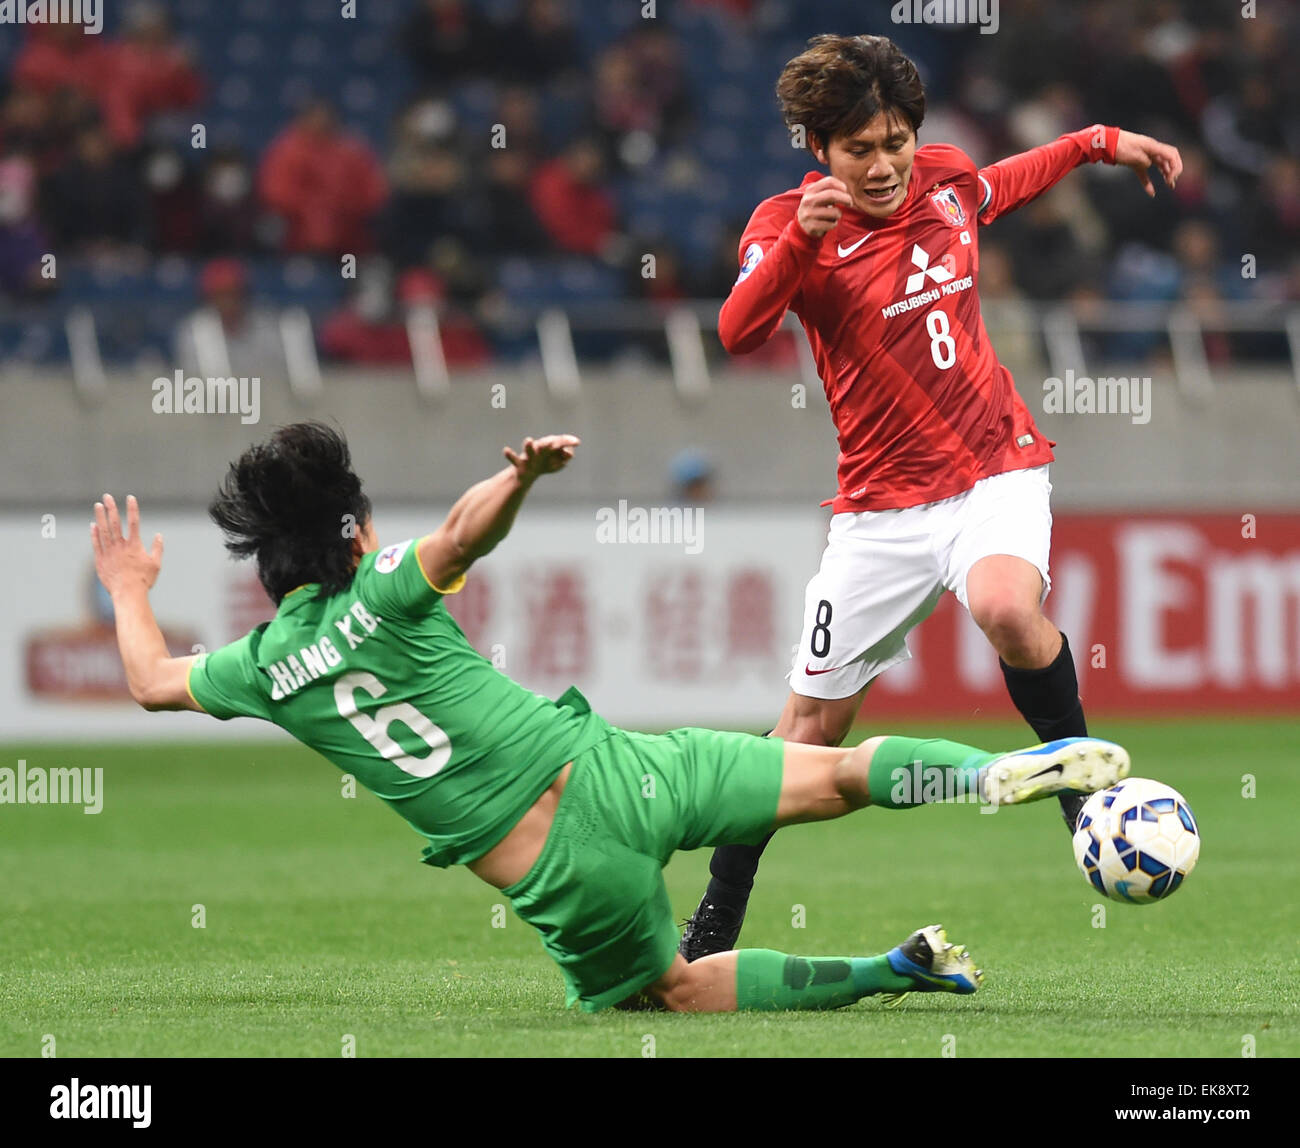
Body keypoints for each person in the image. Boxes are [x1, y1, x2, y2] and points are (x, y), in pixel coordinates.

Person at [91, 422, 1128, 1013]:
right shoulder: (387, 586)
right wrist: (520, 474)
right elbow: (459, 535)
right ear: (356, 535)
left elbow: (148, 680)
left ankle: (892, 967)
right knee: (836, 766)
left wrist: (130, 583)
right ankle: (995, 769)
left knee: (668, 992)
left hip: (561, 873)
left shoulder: (262, 665)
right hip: (619, 767)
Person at [681, 33, 1182, 961]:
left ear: (917, 135)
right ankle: (717, 913)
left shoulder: (946, 182)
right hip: (879, 514)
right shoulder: (783, 224)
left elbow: (1012, 178)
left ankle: (1079, 803)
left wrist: (1101, 139)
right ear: (818, 151)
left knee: (1005, 608)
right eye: (858, 149)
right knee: (806, 736)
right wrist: (802, 241)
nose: (882, 165)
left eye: (896, 142)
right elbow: (737, 329)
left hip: (996, 467)